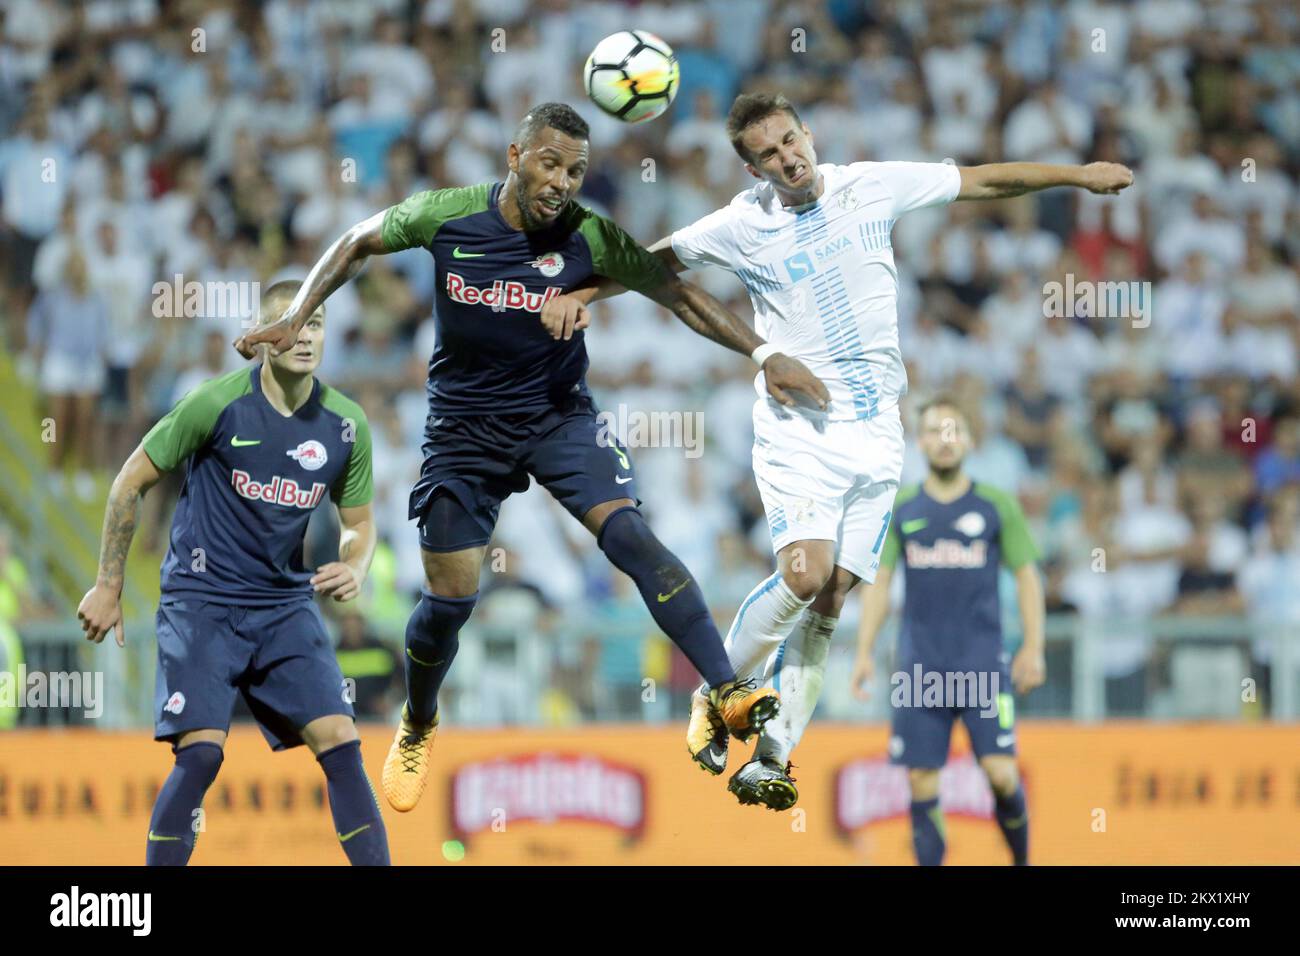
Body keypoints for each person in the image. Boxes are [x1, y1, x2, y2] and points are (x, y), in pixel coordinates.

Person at [235, 102, 830, 813]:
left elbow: (676, 293)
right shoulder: (448, 214)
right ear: (516, 158)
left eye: (576, 171)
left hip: (559, 417)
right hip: (463, 431)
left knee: (631, 536)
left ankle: (727, 687)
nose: (561, 182)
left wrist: (763, 355)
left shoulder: (589, 236)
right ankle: (419, 720)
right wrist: (296, 313)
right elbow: (358, 241)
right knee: (450, 600)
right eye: (550, 164)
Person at [542, 91, 1130, 808]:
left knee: (832, 597)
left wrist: (1077, 176)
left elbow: (980, 181)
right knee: (804, 573)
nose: (787, 159)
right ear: (752, 169)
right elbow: (651, 262)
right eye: (768, 155)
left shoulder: (869, 186)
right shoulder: (741, 224)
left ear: (809, 133)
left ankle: (773, 757)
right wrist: (582, 295)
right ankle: (715, 695)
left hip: (879, 431)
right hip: (801, 429)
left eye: (791, 140)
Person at [76, 280, 390, 866]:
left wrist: (355, 562)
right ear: (263, 336)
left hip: (284, 604)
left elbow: (360, 520)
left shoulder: (347, 425)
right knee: (202, 755)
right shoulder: (215, 404)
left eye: (316, 323)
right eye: (291, 324)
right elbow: (129, 481)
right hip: (202, 600)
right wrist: (108, 585)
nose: (305, 337)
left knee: (343, 745)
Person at [852, 397, 1046, 865]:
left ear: (970, 441)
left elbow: (1027, 575)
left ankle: (1022, 860)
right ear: (919, 443)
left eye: (953, 430)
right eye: (934, 431)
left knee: (1001, 774)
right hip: (920, 666)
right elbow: (880, 581)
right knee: (921, 780)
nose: (944, 440)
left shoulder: (996, 505)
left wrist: (1033, 647)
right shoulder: (902, 508)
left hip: (983, 665)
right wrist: (864, 651)